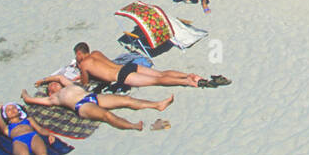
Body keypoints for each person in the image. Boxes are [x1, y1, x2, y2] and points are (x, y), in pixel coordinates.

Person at [21, 78, 173, 131]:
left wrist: (46, 79)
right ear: (50, 92)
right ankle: (133, 126)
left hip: (92, 96)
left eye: (54, 84)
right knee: (106, 115)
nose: (53, 85)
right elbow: (29, 100)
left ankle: (157, 105)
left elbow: (60, 77)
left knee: (126, 100)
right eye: (51, 87)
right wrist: (24, 94)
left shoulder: (67, 85)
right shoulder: (53, 98)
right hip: (82, 106)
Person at [60, 43, 203, 88]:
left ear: (79, 53)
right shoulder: (96, 53)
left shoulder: (84, 64)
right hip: (126, 67)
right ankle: (187, 75)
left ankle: (186, 81)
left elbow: (85, 83)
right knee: (160, 73)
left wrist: (80, 69)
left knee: (157, 81)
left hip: (121, 75)